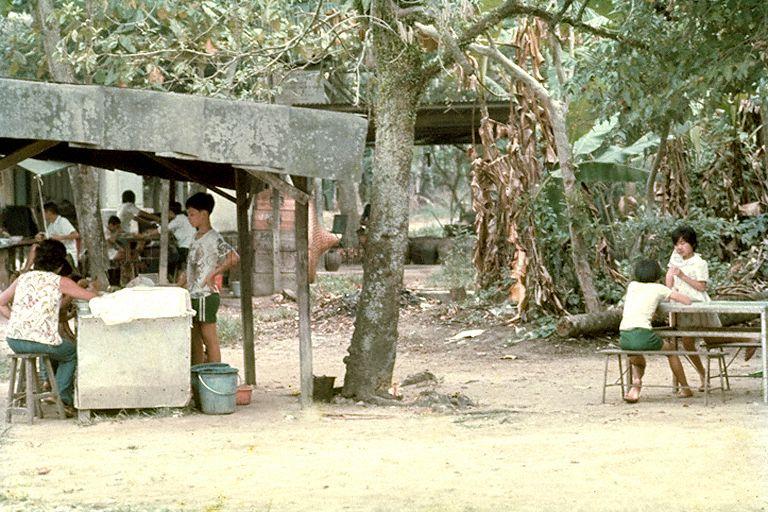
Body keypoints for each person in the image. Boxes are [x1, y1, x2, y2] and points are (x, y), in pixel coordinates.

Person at [0, 239, 98, 414]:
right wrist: (94, 288)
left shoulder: (23, 279)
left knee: (55, 347)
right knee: (71, 353)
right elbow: (91, 297)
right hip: (40, 341)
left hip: (14, 339)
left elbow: (1, 302)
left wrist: (17, 319)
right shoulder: (60, 281)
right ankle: (61, 397)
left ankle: (50, 385)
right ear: (60, 265)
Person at [177, 193, 239, 365]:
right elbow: (191, 268)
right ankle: (198, 377)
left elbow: (233, 257)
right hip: (192, 295)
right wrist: (178, 285)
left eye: (192, 214)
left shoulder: (214, 237)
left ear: (204, 214)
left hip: (206, 296)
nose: (189, 218)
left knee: (209, 339)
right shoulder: (194, 238)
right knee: (195, 339)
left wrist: (214, 273)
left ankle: (215, 375)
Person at [619, 259, 693, 403]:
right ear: (657, 275)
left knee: (639, 362)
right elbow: (687, 301)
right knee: (671, 351)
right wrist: (673, 291)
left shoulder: (632, 286)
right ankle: (685, 388)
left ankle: (636, 385)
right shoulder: (659, 288)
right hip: (642, 334)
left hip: (624, 336)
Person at [38, 202, 79, 268]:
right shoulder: (51, 225)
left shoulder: (62, 221)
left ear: (49, 212)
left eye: (44, 212)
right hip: (55, 252)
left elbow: (76, 235)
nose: (42, 215)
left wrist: (60, 237)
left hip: (66, 252)